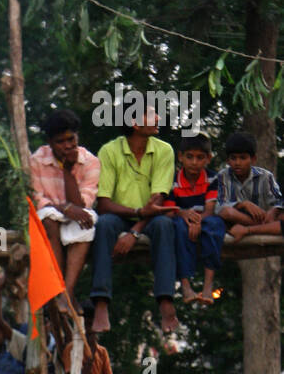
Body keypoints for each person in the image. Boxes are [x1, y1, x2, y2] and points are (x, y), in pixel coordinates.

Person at [90, 108, 178, 334]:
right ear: (135, 123)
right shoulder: (109, 151)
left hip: (152, 217)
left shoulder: (164, 150)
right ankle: (101, 301)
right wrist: (137, 213)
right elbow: (103, 203)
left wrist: (135, 232)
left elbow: (158, 200)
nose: (158, 118)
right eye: (151, 114)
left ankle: (166, 299)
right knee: (104, 224)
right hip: (119, 215)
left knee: (165, 225)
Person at [30, 108, 101, 307]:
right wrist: (64, 208)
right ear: (50, 143)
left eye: (71, 140)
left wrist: (68, 170)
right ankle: (56, 287)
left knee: (87, 223)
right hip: (50, 215)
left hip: (75, 215)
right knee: (50, 218)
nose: (68, 146)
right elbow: (36, 198)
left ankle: (67, 293)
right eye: (61, 142)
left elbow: (82, 205)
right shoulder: (37, 160)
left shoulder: (90, 162)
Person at [163, 133, 227, 305]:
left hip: (205, 218)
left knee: (215, 225)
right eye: (189, 157)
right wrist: (184, 215)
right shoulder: (172, 180)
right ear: (181, 157)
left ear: (208, 159)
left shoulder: (213, 178)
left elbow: (210, 209)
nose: (194, 162)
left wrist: (198, 221)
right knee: (178, 229)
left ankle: (208, 285)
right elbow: (169, 211)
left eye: (200, 158)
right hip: (180, 219)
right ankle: (185, 285)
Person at [216, 131, 284, 243]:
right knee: (227, 212)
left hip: (265, 218)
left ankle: (259, 227)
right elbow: (220, 207)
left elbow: (278, 200)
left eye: (243, 158)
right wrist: (244, 204)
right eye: (233, 158)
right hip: (236, 220)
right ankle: (264, 227)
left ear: (253, 159)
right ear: (228, 160)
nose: (238, 163)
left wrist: (275, 210)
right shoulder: (222, 176)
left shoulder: (265, 176)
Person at [60, 301, 114, 374]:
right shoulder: (71, 349)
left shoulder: (102, 351)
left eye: (91, 325)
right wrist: (90, 358)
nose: (89, 329)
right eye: (86, 325)